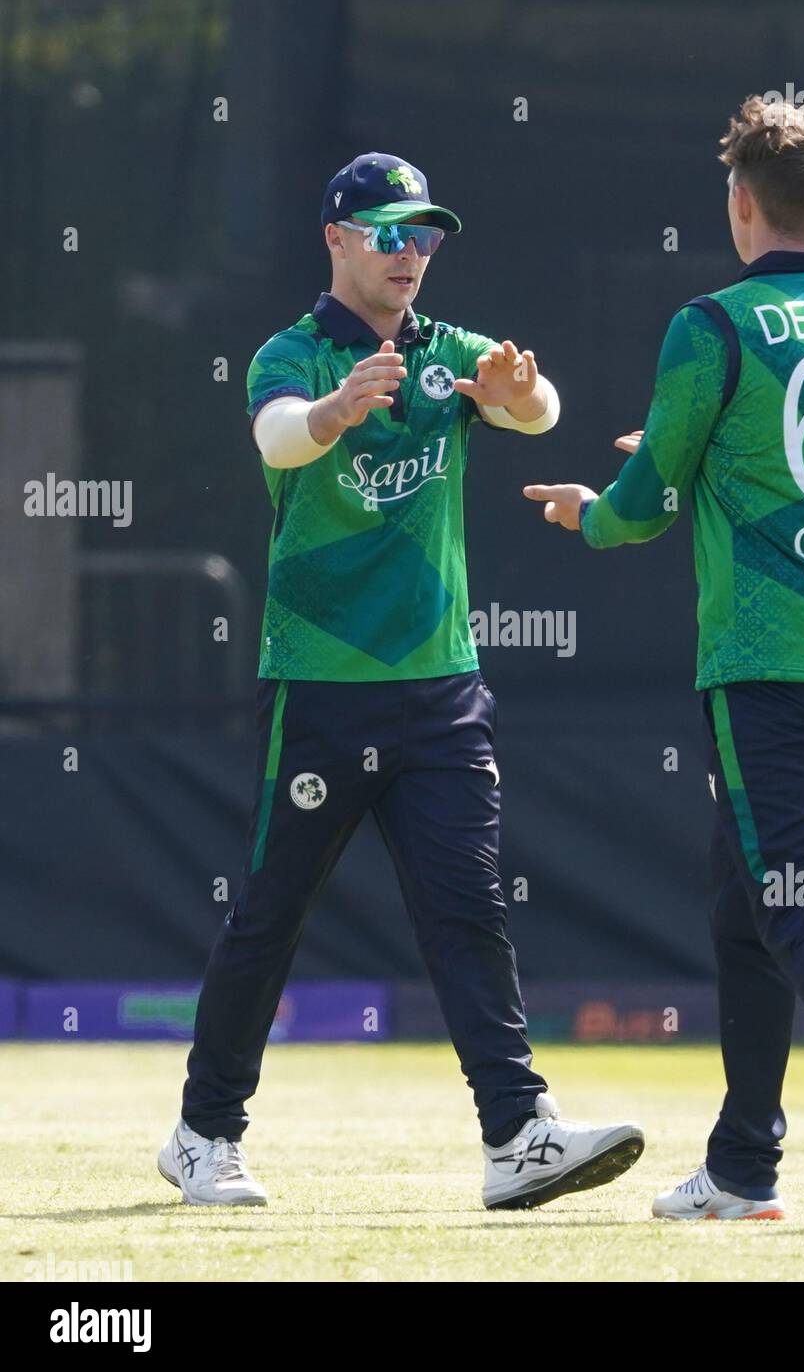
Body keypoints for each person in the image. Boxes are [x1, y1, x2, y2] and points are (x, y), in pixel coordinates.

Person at [523, 98, 804, 1224]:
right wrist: (693, 460)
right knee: (748, 903)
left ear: (739, 201)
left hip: (766, 655)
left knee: (797, 900)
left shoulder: (711, 324)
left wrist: (593, 509)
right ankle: (742, 1167)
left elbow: (644, 509)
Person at [158, 152, 643, 1211]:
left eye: (424, 237)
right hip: (321, 686)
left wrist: (523, 397)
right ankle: (202, 1133)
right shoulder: (291, 354)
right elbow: (280, 440)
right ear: (336, 239)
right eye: (391, 235)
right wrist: (331, 412)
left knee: (468, 910)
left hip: (441, 691)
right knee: (272, 913)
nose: (412, 256)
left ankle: (517, 1133)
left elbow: (535, 410)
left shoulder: (447, 352)